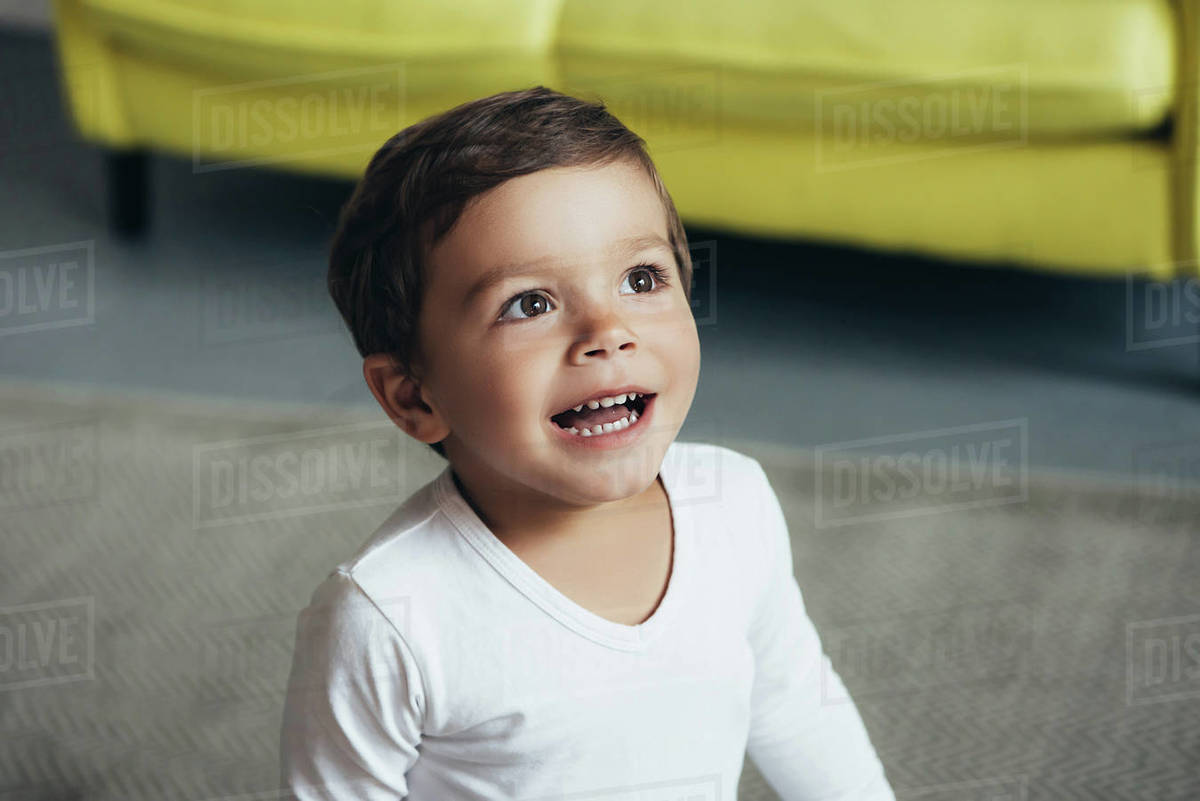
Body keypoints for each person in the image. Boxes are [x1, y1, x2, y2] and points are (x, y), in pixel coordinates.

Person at [280, 85, 894, 801]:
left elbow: (794, 706)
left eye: (641, 278)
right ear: (414, 396)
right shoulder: (390, 610)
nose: (608, 331)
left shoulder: (734, 504)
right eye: (530, 304)